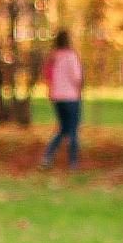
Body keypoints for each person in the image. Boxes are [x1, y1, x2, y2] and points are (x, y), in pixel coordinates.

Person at [39, 30, 83, 169]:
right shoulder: (71, 56)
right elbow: (77, 77)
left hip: (57, 97)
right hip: (71, 97)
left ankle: (48, 156)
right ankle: (73, 162)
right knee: (73, 130)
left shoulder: (53, 57)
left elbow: (47, 76)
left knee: (63, 128)